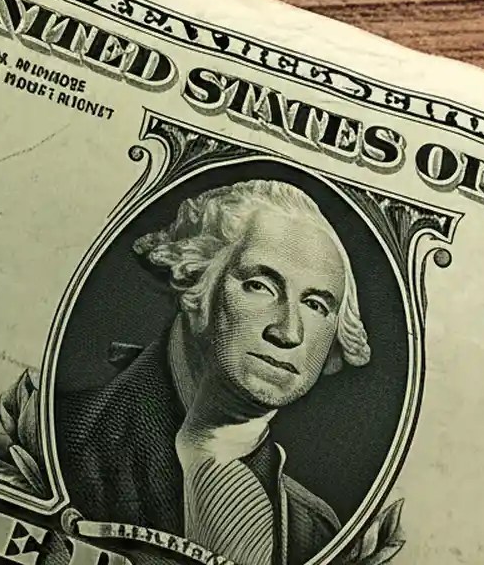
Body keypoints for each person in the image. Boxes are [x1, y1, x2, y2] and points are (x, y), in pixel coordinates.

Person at [55, 179, 371, 565]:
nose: (289, 332)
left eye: (317, 305)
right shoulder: (57, 435)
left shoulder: (314, 527)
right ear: (196, 283)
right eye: (260, 286)